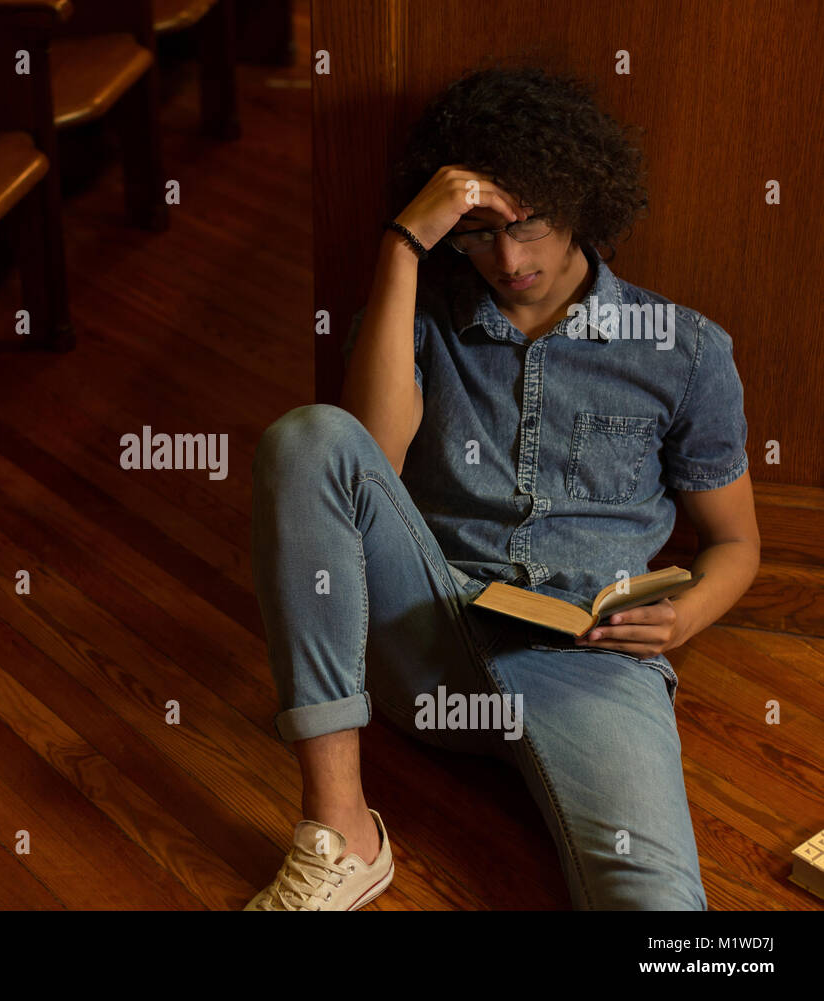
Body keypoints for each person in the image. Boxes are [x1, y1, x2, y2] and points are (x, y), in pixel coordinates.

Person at [244, 65, 760, 910]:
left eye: (531, 225)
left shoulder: (687, 350)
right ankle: (344, 831)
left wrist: (685, 617)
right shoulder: (417, 311)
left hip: (589, 663)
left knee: (662, 910)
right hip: (425, 639)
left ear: (585, 203)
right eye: (479, 234)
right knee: (307, 435)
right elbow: (360, 455)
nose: (509, 260)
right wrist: (401, 245)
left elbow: (737, 544)